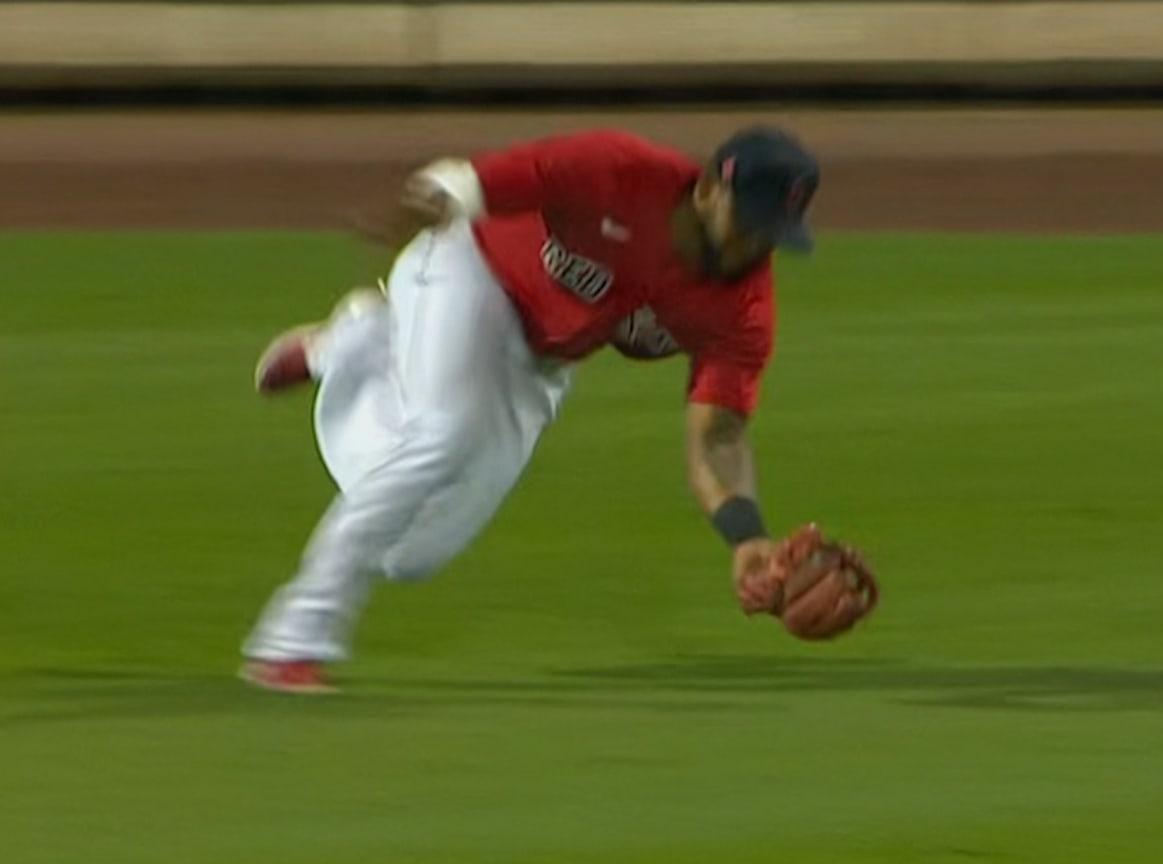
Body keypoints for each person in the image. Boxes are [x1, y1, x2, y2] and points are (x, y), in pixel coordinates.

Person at [238, 125, 821, 693]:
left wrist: (746, 537)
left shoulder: (743, 309)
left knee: (409, 552)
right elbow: (479, 180)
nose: (755, 245)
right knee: (443, 435)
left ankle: (354, 344)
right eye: (748, 223)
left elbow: (717, 436)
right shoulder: (617, 170)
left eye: (773, 234)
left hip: (540, 364)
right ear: (706, 191)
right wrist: (425, 200)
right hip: (468, 271)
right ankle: (293, 640)